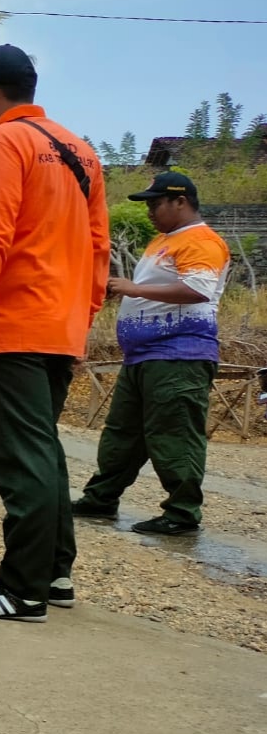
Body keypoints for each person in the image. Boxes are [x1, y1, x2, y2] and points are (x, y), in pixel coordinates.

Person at [0, 44, 110, 623]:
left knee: (19, 458)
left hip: (14, 324)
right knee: (44, 452)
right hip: (59, 327)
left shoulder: (3, 143)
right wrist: (80, 320)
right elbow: (99, 248)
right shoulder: (82, 152)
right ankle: (55, 574)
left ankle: (22, 589)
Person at [71, 172, 230, 535]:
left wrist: (133, 288)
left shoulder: (201, 240)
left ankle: (183, 512)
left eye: (156, 203)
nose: (150, 211)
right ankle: (101, 498)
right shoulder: (163, 241)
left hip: (179, 354)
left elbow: (198, 289)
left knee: (174, 433)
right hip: (143, 356)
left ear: (181, 201)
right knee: (122, 433)